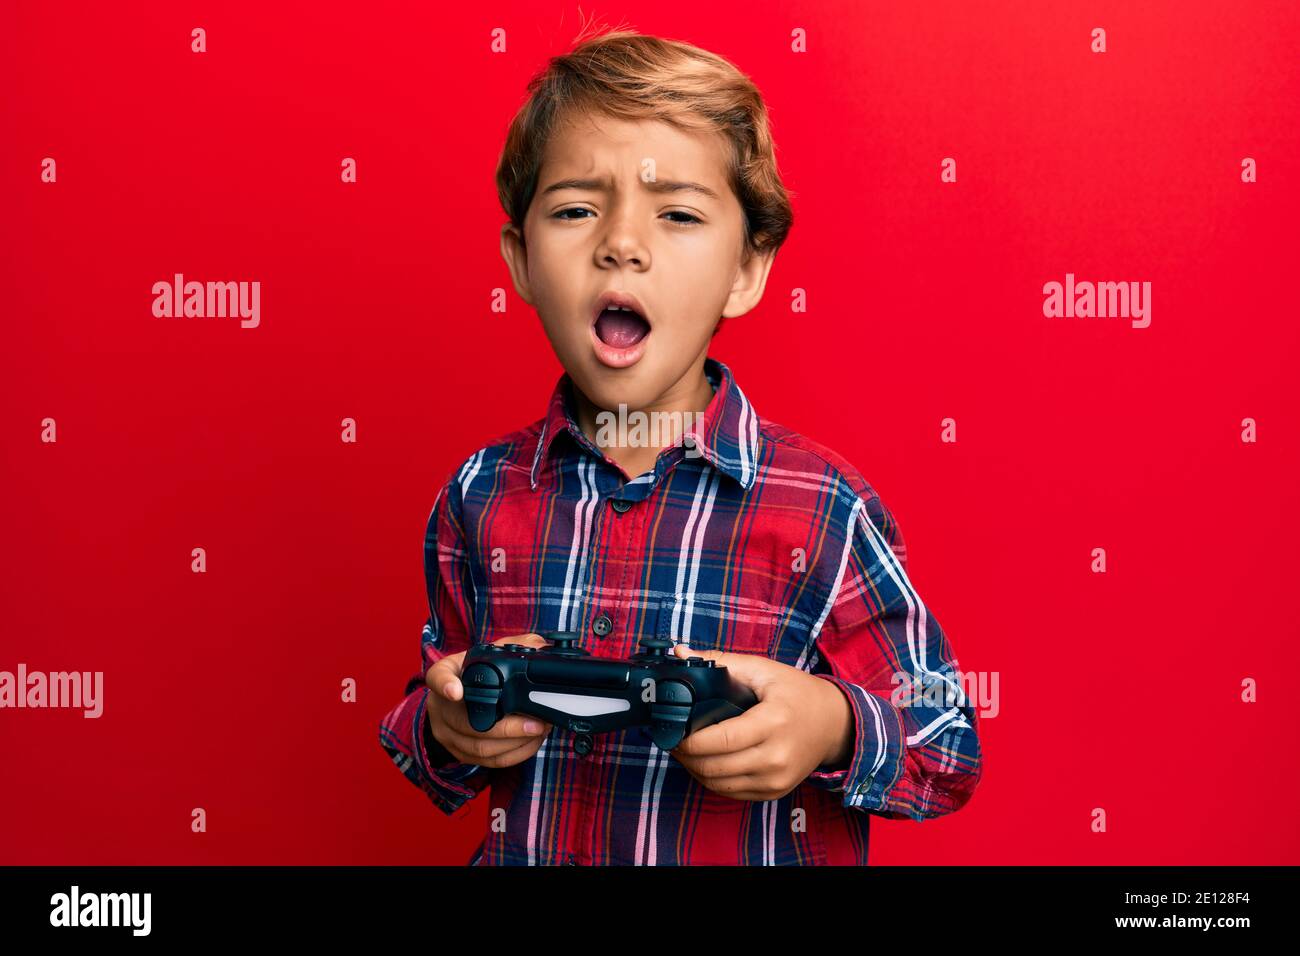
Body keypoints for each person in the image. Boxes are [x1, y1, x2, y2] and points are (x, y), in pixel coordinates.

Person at [378, 27, 983, 865]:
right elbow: (429, 728)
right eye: (576, 209)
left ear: (748, 268)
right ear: (520, 258)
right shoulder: (480, 495)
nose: (622, 243)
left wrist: (830, 724)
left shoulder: (824, 508)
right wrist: (447, 721)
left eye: (679, 215)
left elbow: (947, 744)